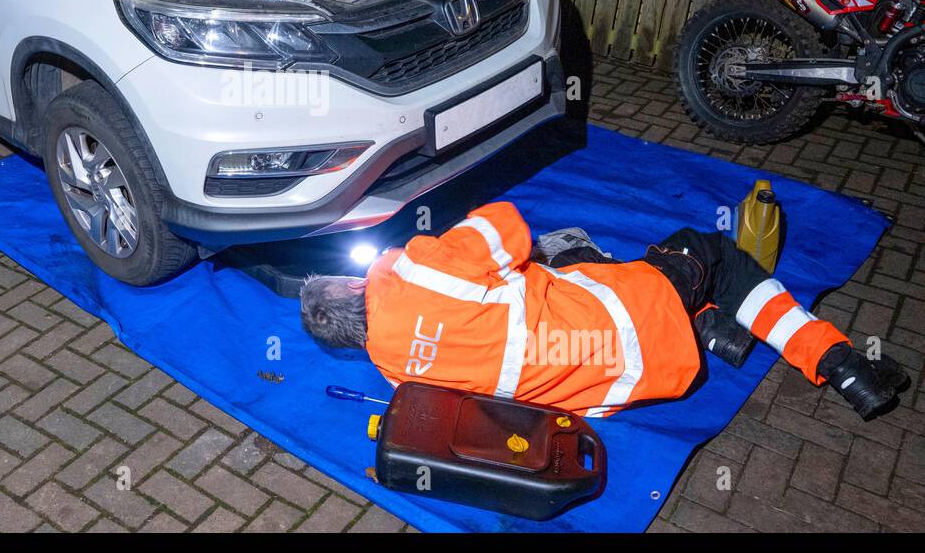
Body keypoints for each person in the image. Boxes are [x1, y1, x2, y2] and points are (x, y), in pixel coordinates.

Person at [300, 202, 910, 420]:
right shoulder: (414, 266)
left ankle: (709, 328)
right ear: (352, 288)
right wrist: (405, 253)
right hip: (635, 314)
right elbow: (505, 223)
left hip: (642, 382)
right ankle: (841, 363)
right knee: (713, 254)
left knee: (574, 271)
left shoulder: (392, 371)